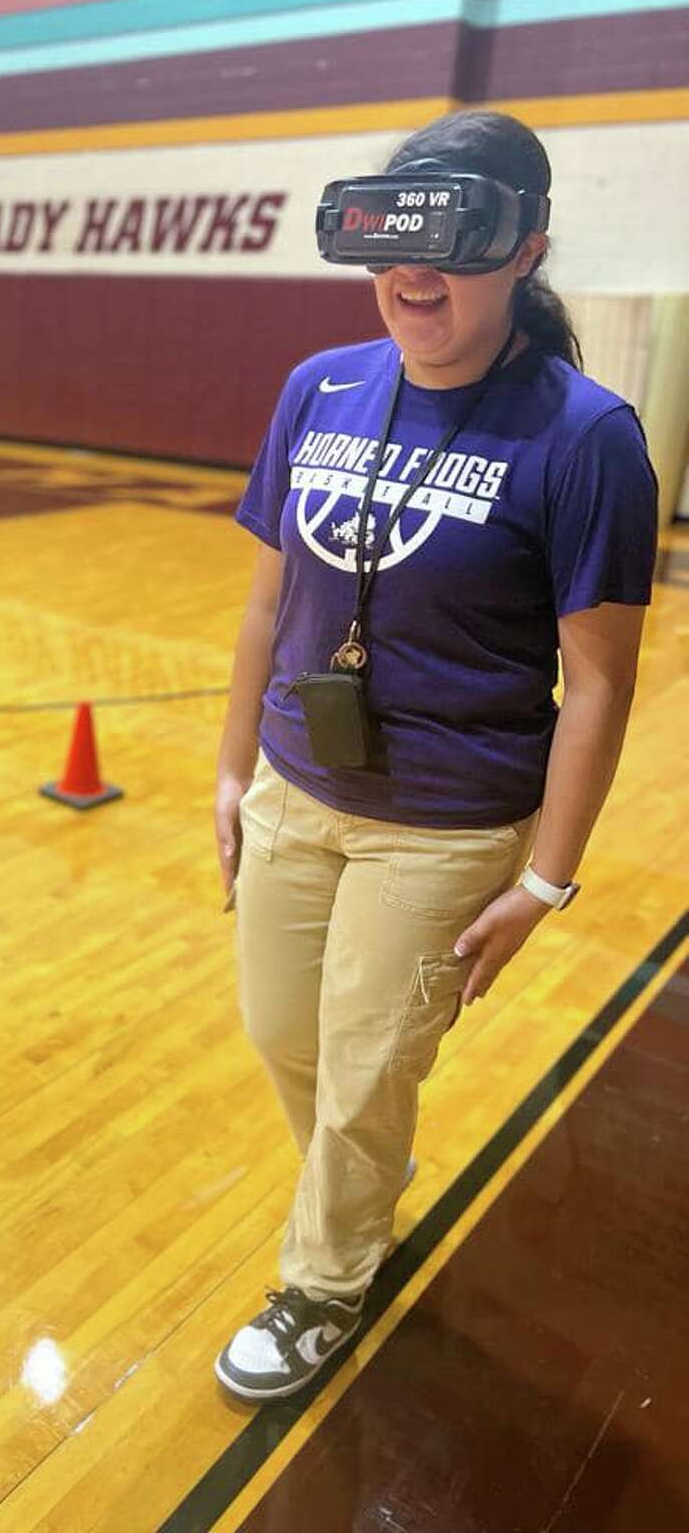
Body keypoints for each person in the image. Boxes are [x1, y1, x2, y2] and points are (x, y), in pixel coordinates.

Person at [212, 111, 658, 1402]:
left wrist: (547, 880)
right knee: (283, 1036)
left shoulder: (585, 435)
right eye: (391, 239)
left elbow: (602, 680)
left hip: (447, 820)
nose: (415, 273)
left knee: (365, 1070)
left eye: (452, 239)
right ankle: (363, 1181)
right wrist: (233, 770)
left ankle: (324, 1281)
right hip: (301, 783)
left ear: (526, 246)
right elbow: (263, 602)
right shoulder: (322, 385)